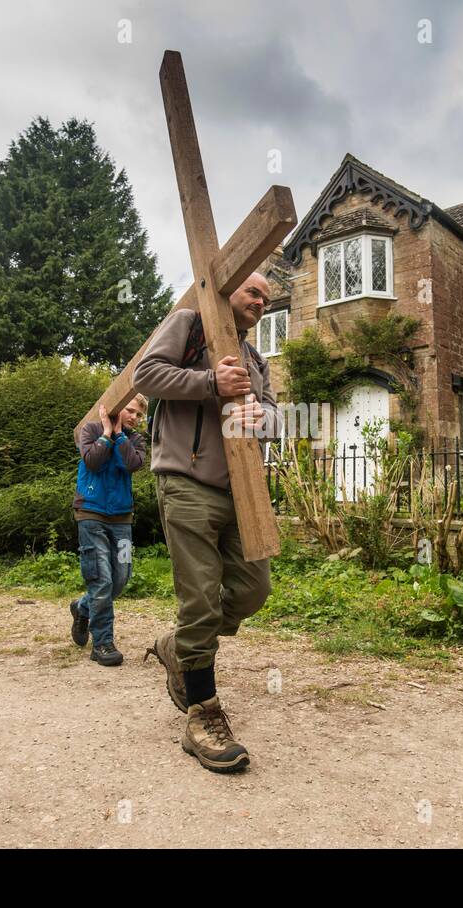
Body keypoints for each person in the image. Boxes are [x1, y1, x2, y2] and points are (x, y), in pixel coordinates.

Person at [133, 272, 281, 773]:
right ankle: (203, 716)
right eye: (253, 292)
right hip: (187, 481)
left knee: (252, 590)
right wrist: (209, 383)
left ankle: (178, 648)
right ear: (227, 289)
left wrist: (260, 414)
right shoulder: (188, 324)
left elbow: (278, 417)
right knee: (199, 598)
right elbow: (145, 376)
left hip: (243, 490)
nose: (262, 302)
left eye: (267, 298)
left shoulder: (256, 358)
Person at [69, 394, 147, 666]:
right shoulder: (89, 430)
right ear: (117, 407)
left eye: (138, 415)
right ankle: (102, 644)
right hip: (91, 514)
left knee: (121, 577)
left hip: (121, 519)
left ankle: (82, 607)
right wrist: (105, 434)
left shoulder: (134, 439)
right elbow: (93, 461)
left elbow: (132, 464)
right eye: (130, 410)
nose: (134, 418)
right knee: (101, 580)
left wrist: (120, 436)